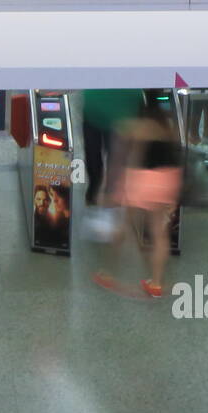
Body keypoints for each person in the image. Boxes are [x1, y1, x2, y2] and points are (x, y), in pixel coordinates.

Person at [93, 92, 185, 299]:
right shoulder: (167, 126)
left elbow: (125, 158)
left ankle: (107, 273)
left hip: (141, 181)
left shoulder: (133, 126)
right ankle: (156, 283)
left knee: (123, 225)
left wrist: (113, 186)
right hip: (167, 180)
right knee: (159, 232)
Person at [81, 89, 144, 207]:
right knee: (104, 156)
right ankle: (102, 191)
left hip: (110, 114)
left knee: (100, 155)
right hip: (102, 113)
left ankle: (104, 192)